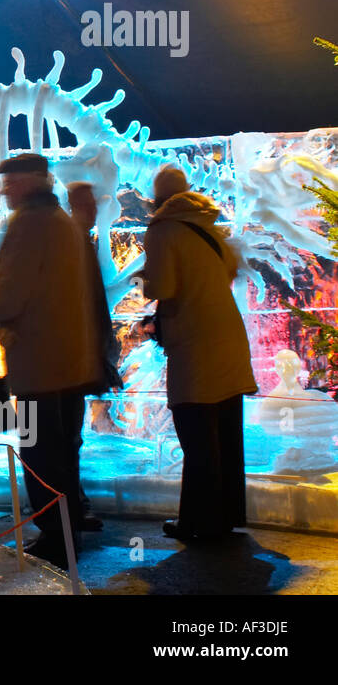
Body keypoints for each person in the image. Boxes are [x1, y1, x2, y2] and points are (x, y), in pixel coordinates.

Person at [0, 154, 99, 568]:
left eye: (11, 181)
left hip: (38, 361)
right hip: (67, 360)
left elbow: (10, 292)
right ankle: (67, 531)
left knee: (40, 452)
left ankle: (55, 538)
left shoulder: (29, 224)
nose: (5, 189)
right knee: (62, 449)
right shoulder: (62, 221)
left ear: (33, 180)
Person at [140, 166, 257, 541]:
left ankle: (201, 524)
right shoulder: (208, 226)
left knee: (196, 434)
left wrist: (141, 278)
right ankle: (222, 517)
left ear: (158, 198)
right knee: (224, 433)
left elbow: (163, 285)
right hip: (228, 338)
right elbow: (229, 271)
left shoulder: (162, 230)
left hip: (195, 344)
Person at [66, 182, 123, 532]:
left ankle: (73, 508)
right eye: (87, 204)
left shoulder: (79, 240)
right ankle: (69, 512)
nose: (93, 211)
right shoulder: (71, 241)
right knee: (62, 440)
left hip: (75, 358)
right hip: (67, 359)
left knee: (68, 439)